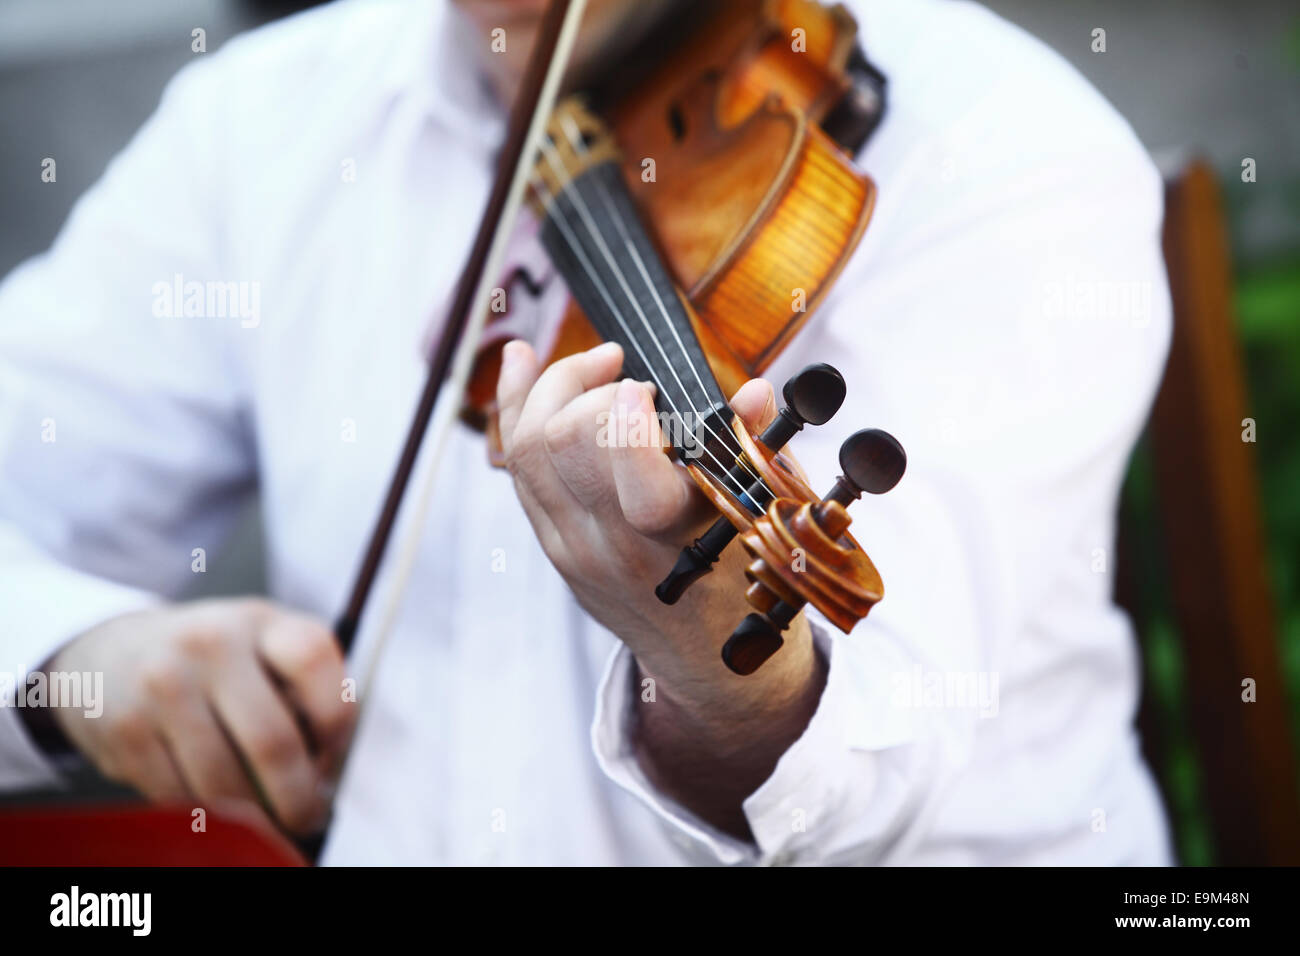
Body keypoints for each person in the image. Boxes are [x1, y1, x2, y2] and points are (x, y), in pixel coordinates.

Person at [0, 0, 1174, 864]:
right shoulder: (256, 122)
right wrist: (80, 659)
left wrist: (720, 659)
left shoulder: (1001, 152)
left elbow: (879, 762)